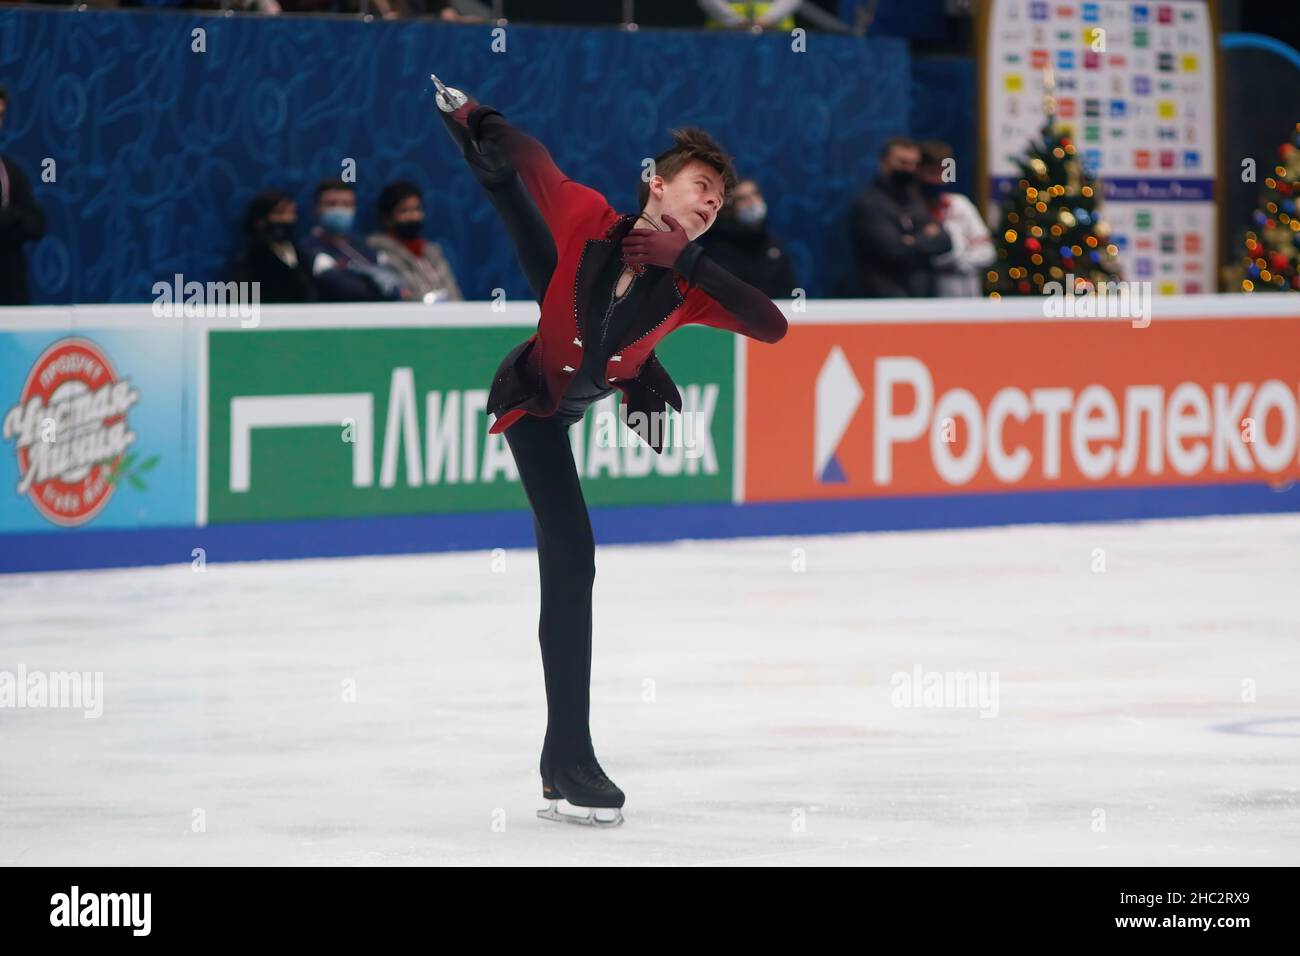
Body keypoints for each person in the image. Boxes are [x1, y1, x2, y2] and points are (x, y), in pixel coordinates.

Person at [434, 75, 786, 826]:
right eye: (699, 188)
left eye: (718, 202)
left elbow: (771, 324)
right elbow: (538, 161)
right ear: (655, 185)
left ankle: (560, 760)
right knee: (573, 558)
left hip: (599, 364)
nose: (710, 205)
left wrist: (684, 261)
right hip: (534, 399)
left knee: (567, 294)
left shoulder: (690, 289)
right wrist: (478, 117)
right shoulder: (593, 217)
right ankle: (568, 758)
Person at [850, 137, 952, 297]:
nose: (909, 169)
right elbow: (893, 250)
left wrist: (911, 241)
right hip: (886, 297)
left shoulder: (916, 198)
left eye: (914, 164)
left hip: (925, 295)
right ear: (884, 162)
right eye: (903, 162)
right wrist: (924, 237)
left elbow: (944, 241)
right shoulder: (869, 203)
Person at [300, 179, 404, 302]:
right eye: (332, 204)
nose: (340, 210)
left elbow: (395, 285)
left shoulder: (363, 245)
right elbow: (346, 289)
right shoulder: (308, 248)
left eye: (347, 205)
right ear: (316, 208)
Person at [697, 177, 797, 300]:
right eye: (742, 199)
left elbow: (790, 290)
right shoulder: (717, 248)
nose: (752, 202)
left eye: (755, 194)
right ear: (731, 208)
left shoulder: (774, 245)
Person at [918, 141, 995, 298]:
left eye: (943, 172)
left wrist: (958, 260)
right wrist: (961, 249)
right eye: (932, 172)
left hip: (969, 294)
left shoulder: (959, 204)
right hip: (929, 295)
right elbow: (924, 256)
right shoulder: (912, 209)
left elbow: (987, 253)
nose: (939, 179)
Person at [366, 180, 463, 303]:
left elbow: (454, 294)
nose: (413, 216)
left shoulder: (433, 252)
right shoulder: (378, 253)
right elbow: (403, 297)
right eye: (404, 211)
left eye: (417, 209)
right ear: (387, 217)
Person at [0, 84, 46, 306]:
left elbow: (37, 225)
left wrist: (11, 216)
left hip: (11, 295)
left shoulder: (11, 170)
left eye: (0, 115)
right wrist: (15, 219)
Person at [229, 189, 318, 303]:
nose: (287, 219)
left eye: (292, 213)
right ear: (260, 220)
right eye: (280, 213)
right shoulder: (251, 257)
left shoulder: (300, 253)